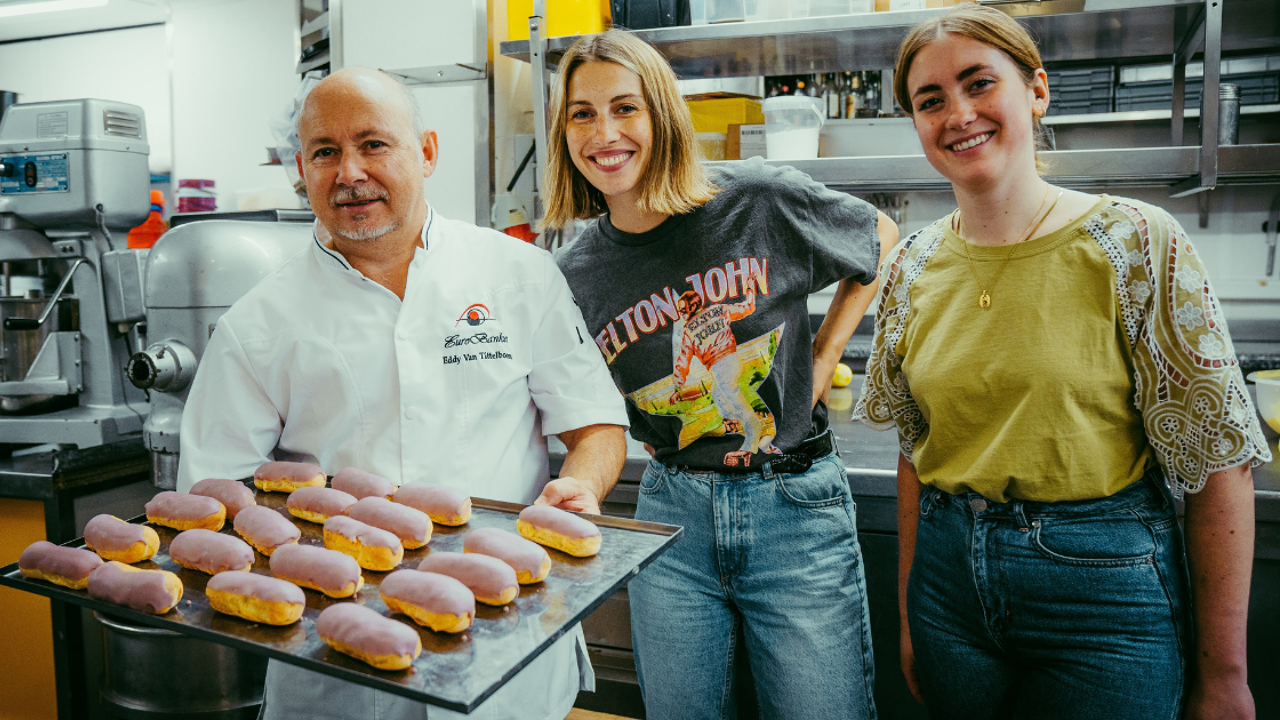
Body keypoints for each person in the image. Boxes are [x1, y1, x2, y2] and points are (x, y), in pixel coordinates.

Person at [855, 5, 1271, 719]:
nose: (958, 114)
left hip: (1103, 595)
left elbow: (1217, 462)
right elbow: (913, 455)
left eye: (979, 84)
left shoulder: (1136, 241)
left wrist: (1224, 675)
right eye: (930, 100)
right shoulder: (912, 265)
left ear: (1036, 91)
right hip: (949, 594)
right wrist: (909, 618)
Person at [176, 67, 629, 720]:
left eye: (373, 144)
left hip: (508, 649)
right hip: (338, 660)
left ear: (428, 152)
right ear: (301, 168)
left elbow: (592, 425)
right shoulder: (257, 324)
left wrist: (581, 487)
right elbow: (214, 498)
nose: (350, 172)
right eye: (326, 153)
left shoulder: (517, 273)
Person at [543, 31, 899, 720]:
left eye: (626, 107)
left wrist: (823, 358)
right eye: (581, 113)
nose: (604, 132)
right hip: (671, 518)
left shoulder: (756, 198)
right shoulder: (575, 275)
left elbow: (877, 235)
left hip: (794, 508)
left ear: (663, 117)